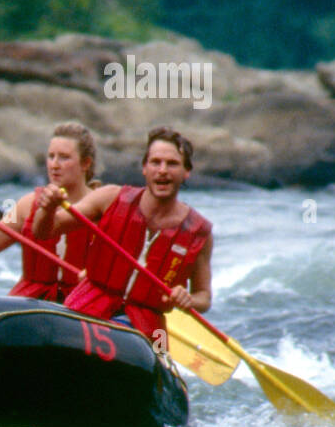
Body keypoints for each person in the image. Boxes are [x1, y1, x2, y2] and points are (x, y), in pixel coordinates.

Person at [31, 126, 212, 341]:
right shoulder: (109, 197)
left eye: (172, 164)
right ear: (145, 168)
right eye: (155, 162)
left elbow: (205, 297)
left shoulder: (199, 233)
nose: (162, 170)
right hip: (86, 309)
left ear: (186, 171)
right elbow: (43, 231)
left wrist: (189, 299)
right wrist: (48, 208)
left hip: (148, 331)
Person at [0, 122, 98, 302]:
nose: (54, 165)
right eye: (51, 156)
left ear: (86, 163)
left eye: (64, 158)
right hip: (32, 301)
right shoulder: (26, 205)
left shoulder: (102, 207)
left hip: (82, 303)